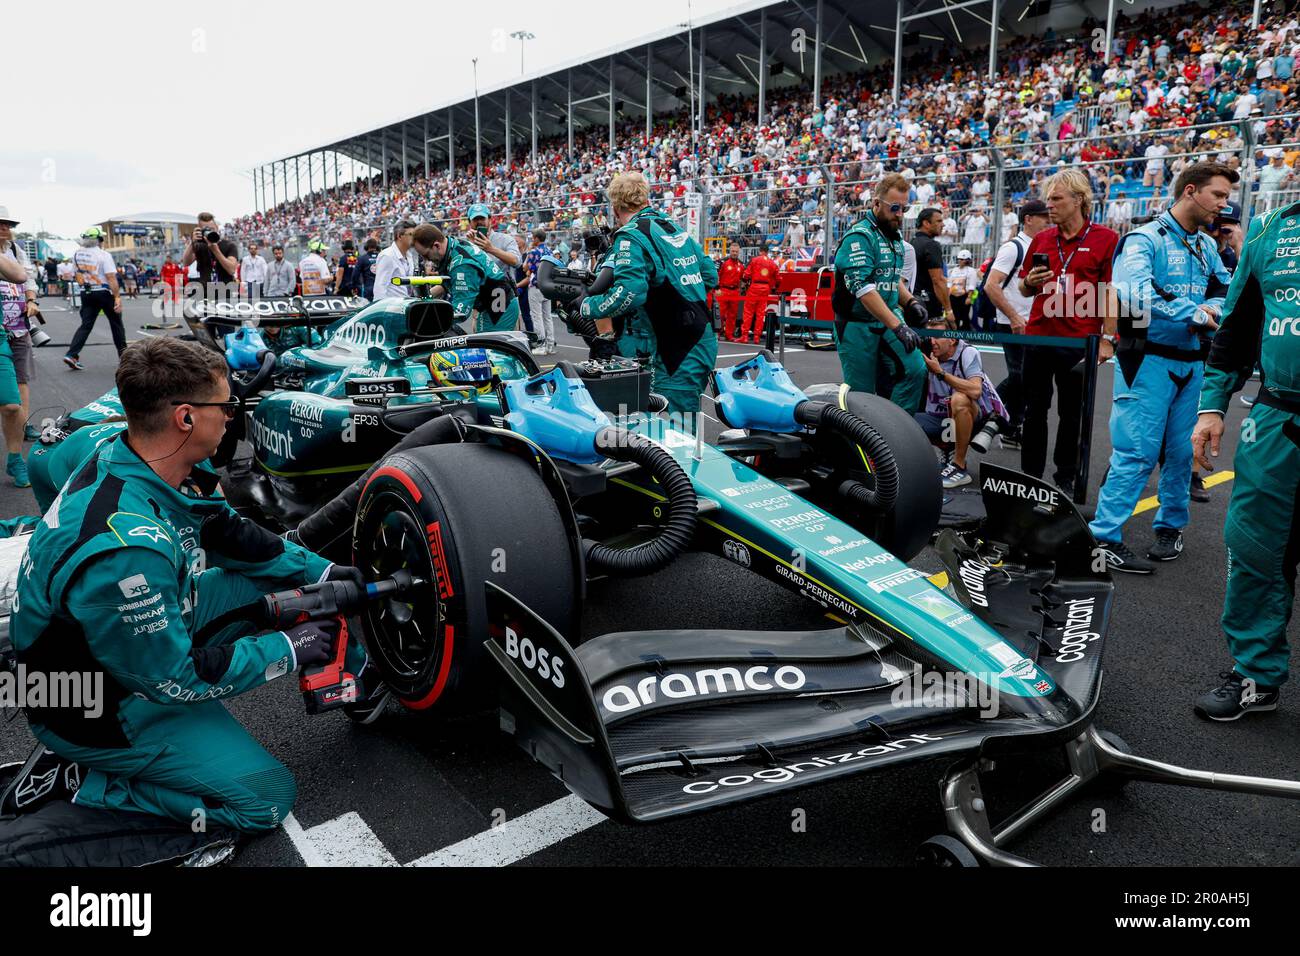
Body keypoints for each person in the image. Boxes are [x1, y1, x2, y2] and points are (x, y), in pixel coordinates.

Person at [4, 336, 380, 832]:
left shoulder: (135, 449)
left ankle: (355, 680)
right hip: (90, 704)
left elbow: (226, 530)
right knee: (266, 800)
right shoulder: (126, 556)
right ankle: (85, 780)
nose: (231, 417)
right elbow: (175, 680)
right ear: (186, 417)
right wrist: (287, 649)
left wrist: (321, 572)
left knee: (286, 591)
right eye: (225, 406)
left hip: (115, 640)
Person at [1090, 162, 1236, 575]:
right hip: (1147, 359)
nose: (1224, 204)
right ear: (1191, 191)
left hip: (1191, 365)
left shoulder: (1207, 246)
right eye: (1218, 195)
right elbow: (1134, 291)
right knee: (1136, 453)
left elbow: (1226, 289)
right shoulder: (1143, 239)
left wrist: (1212, 309)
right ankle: (1103, 539)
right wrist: (1196, 313)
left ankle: (1170, 527)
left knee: (1179, 454)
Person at [1189, 199, 1300, 721]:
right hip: (1277, 416)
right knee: (1254, 544)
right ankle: (1256, 674)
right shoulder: (1269, 231)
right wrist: (1212, 407)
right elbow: (1236, 325)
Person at [579, 171, 719, 416]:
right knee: (678, 417)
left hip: (676, 347)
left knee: (673, 432)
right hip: (701, 337)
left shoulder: (631, 234)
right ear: (645, 199)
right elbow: (709, 275)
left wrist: (587, 306)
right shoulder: (674, 227)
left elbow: (628, 294)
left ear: (615, 207)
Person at [1017, 169, 1120, 494]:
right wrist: (1028, 283)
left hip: (1079, 342)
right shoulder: (1042, 238)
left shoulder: (1106, 238)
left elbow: (1110, 291)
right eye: (1048, 198)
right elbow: (1022, 288)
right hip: (1038, 338)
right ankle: (1029, 475)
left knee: (1071, 414)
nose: (1050, 205)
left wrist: (1107, 338)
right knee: (1034, 411)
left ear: (1079, 200)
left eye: (1057, 198)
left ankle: (1065, 476)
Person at [831, 173, 927, 412]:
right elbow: (864, 290)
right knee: (860, 394)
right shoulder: (859, 237)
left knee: (915, 370)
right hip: (857, 325)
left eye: (905, 208)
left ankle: (895, 431)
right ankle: (863, 444)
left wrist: (911, 301)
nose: (900, 214)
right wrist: (898, 325)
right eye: (895, 207)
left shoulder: (894, 237)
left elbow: (892, 281)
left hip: (888, 318)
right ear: (876, 204)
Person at [983, 199, 1051, 448]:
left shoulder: (1043, 246)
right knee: (1020, 375)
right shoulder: (1014, 248)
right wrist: (1012, 316)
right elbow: (991, 285)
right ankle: (987, 412)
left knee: (1029, 378)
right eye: (1043, 217)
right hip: (1013, 323)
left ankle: (1010, 426)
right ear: (1028, 219)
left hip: (1035, 323)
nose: (1048, 221)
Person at [914, 318, 1004, 489]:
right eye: (930, 337)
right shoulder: (926, 351)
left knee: (959, 400)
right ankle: (946, 451)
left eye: (937, 337)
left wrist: (940, 373)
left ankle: (959, 466)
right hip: (938, 417)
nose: (932, 342)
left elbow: (975, 390)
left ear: (952, 339)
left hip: (973, 417)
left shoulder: (967, 352)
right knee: (900, 418)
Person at [411, 223, 520, 334]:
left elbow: (460, 312)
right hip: (491, 304)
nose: (426, 260)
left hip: (500, 309)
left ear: (437, 246)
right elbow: (448, 283)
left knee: (487, 349)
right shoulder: (453, 245)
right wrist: (420, 299)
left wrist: (426, 319)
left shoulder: (461, 266)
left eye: (425, 255)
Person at [0, 208, 35, 487]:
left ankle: (15, 460)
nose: (4, 229)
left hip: (10, 331)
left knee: (12, 405)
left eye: (7, 225)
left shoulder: (13, 251)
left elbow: (21, 276)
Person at [64, 227, 127, 373]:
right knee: (116, 324)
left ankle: (72, 354)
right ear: (99, 240)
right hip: (104, 292)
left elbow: (77, 275)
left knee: (85, 325)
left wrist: (86, 286)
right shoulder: (104, 255)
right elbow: (111, 277)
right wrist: (117, 297)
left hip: (86, 292)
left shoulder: (76, 255)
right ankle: (125, 358)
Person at [910, 208, 953, 327]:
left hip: (912, 302)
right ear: (926, 224)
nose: (943, 224)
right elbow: (937, 280)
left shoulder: (911, 242)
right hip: (928, 306)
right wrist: (949, 311)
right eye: (939, 221)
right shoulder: (931, 245)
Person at [182, 213, 240, 296]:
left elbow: (231, 270)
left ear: (216, 227)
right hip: (204, 293)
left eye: (211, 229)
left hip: (225, 293)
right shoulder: (199, 245)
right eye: (205, 229)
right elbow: (186, 263)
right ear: (199, 230)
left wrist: (216, 250)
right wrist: (192, 243)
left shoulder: (229, 245)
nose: (209, 232)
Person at [739, 244, 779, 344]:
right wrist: (774, 287)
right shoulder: (772, 263)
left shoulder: (755, 260)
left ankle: (745, 336)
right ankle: (757, 337)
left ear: (760, 250)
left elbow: (746, 275)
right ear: (767, 251)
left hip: (754, 287)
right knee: (760, 314)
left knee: (748, 312)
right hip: (765, 288)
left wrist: (744, 281)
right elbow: (778, 278)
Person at [524, 229, 556, 355]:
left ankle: (541, 345)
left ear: (537, 238)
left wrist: (528, 253)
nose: (532, 239)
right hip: (547, 286)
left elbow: (526, 268)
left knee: (536, 316)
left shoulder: (533, 251)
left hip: (536, 286)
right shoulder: (550, 251)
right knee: (547, 317)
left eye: (533, 237)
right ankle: (550, 345)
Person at [465, 204, 522, 275]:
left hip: (501, 284)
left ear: (489, 220)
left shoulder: (505, 239)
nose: (479, 222)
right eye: (475, 219)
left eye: (482, 218)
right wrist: (471, 247)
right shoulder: (465, 244)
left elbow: (516, 262)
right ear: (470, 222)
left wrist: (491, 249)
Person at [373, 221, 417, 300]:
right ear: (399, 236)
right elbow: (379, 288)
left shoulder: (409, 256)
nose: (414, 238)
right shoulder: (387, 256)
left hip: (404, 305)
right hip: (391, 307)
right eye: (411, 234)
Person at [716, 243, 745, 340]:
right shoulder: (723, 262)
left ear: (739, 252)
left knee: (732, 315)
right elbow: (716, 276)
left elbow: (742, 279)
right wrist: (717, 288)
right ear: (730, 251)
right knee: (720, 314)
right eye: (733, 251)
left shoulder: (741, 265)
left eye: (736, 252)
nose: (734, 253)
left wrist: (740, 290)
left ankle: (729, 335)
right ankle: (717, 333)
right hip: (723, 291)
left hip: (735, 292)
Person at [947, 249, 979, 330]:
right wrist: (948, 296)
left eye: (962, 259)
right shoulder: (954, 270)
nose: (959, 261)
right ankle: (955, 333)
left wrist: (969, 297)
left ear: (967, 260)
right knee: (955, 315)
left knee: (965, 315)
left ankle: (966, 332)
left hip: (964, 296)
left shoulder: (971, 271)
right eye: (959, 259)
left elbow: (972, 285)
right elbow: (950, 283)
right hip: (953, 296)